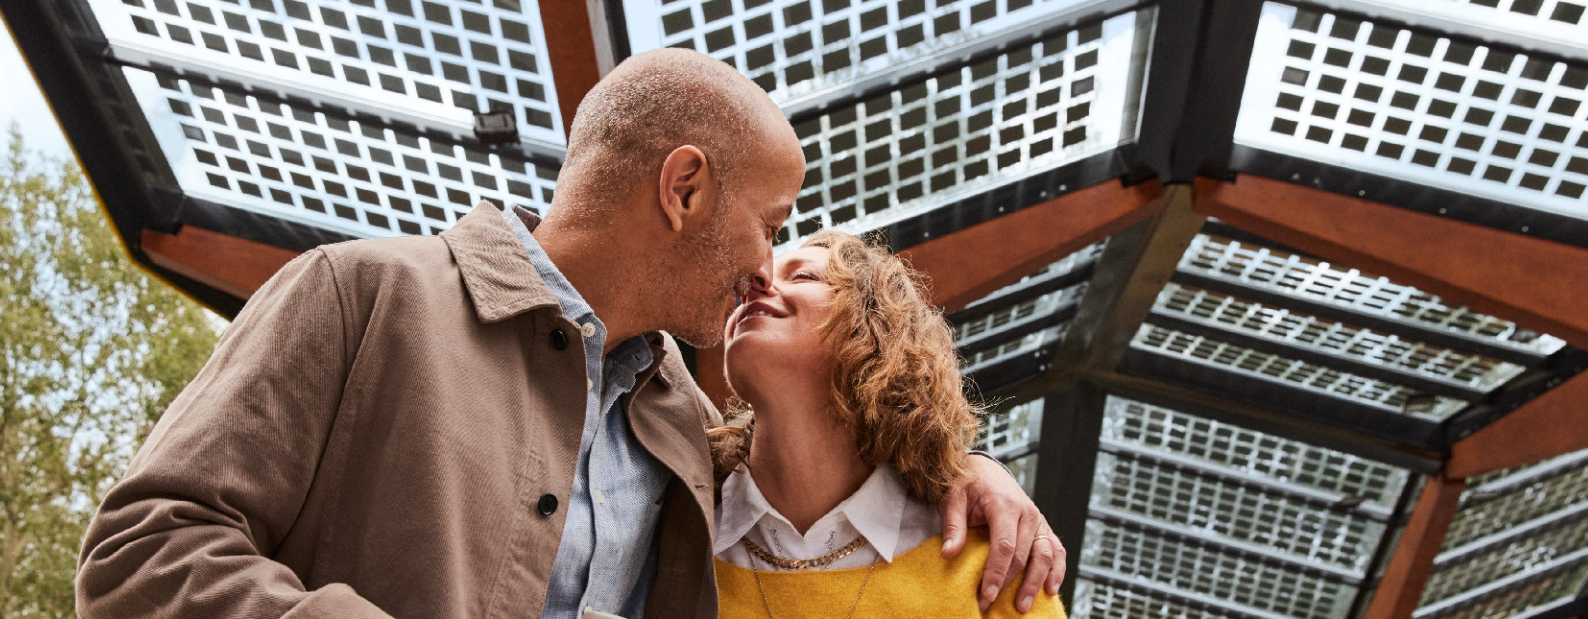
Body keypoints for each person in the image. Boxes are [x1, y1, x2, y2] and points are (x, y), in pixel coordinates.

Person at [75, 48, 1062, 619]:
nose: (767, 269)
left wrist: (958, 469)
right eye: (768, 229)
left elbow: (827, 490)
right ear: (683, 189)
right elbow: (140, 548)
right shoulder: (360, 294)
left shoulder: (685, 427)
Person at [707, 230, 1066, 617]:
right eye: (749, 280)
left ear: (877, 328)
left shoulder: (995, 564)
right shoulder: (671, 528)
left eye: (802, 276)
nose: (753, 282)